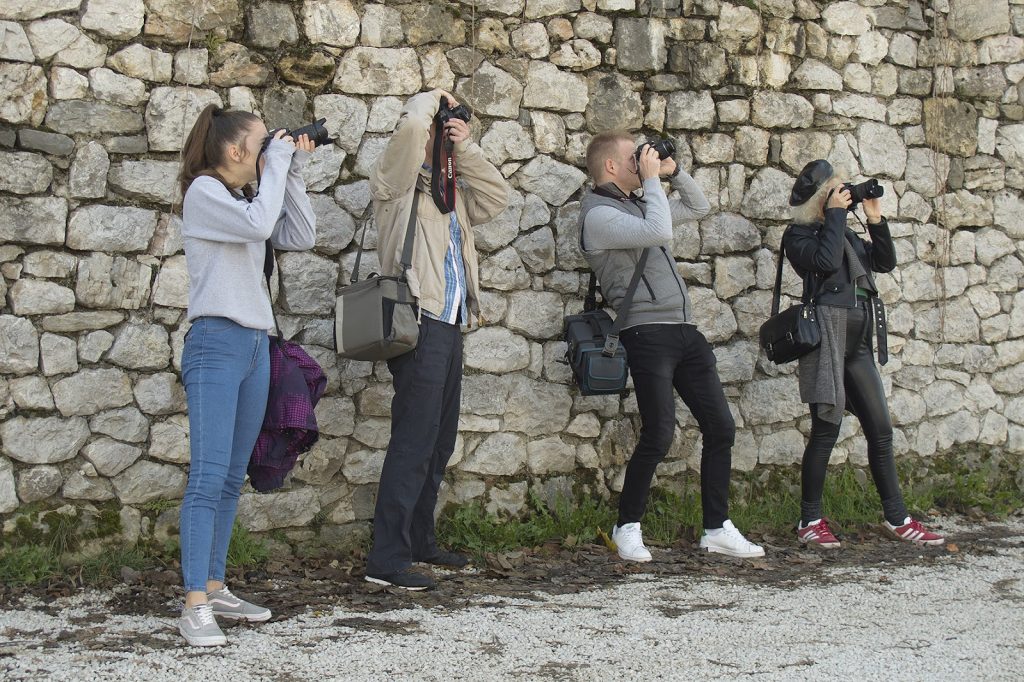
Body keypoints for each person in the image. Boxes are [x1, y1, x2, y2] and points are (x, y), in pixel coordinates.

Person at [580, 131, 764, 562]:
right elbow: (658, 228)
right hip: (646, 333)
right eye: (633, 157)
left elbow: (700, 207)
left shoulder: (637, 204)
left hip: (684, 330)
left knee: (721, 427)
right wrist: (651, 183)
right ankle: (626, 526)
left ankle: (716, 528)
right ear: (610, 166)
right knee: (660, 433)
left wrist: (672, 171)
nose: (640, 161)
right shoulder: (598, 216)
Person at [176, 104, 317, 646]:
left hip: (256, 345)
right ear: (236, 152)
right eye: (261, 144)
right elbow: (261, 224)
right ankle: (193, 604)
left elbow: (298, 234)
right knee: (209, 476)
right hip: (216, 342)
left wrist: (293, 168)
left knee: (233, 476)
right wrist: (278, 161)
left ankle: (214, 586)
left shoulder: (243, 198)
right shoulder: (205, 193)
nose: (268, 151)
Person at [365, 89, 509, 590]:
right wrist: (430, 100)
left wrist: (464, 145)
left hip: (449, 323)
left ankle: (419, 539)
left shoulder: (449, 192)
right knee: (414, 439)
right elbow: (408, 134)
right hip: (416, 320)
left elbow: (498, 195)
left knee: (440, 439)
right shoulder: (396, 185)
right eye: (436, 127)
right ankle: (386, 559)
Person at [783, 159, 944, 548]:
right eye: (837, 190)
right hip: (829, 340)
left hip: (858, 346)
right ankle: (809, 521)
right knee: (826, 431)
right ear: (822, 199)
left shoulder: (848, 234)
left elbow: (884, 262)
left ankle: (898, 518)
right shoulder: (799, 236)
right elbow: (823, 262)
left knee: (881, 431)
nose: (846, 194)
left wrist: (874, 218)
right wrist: (836, 216)